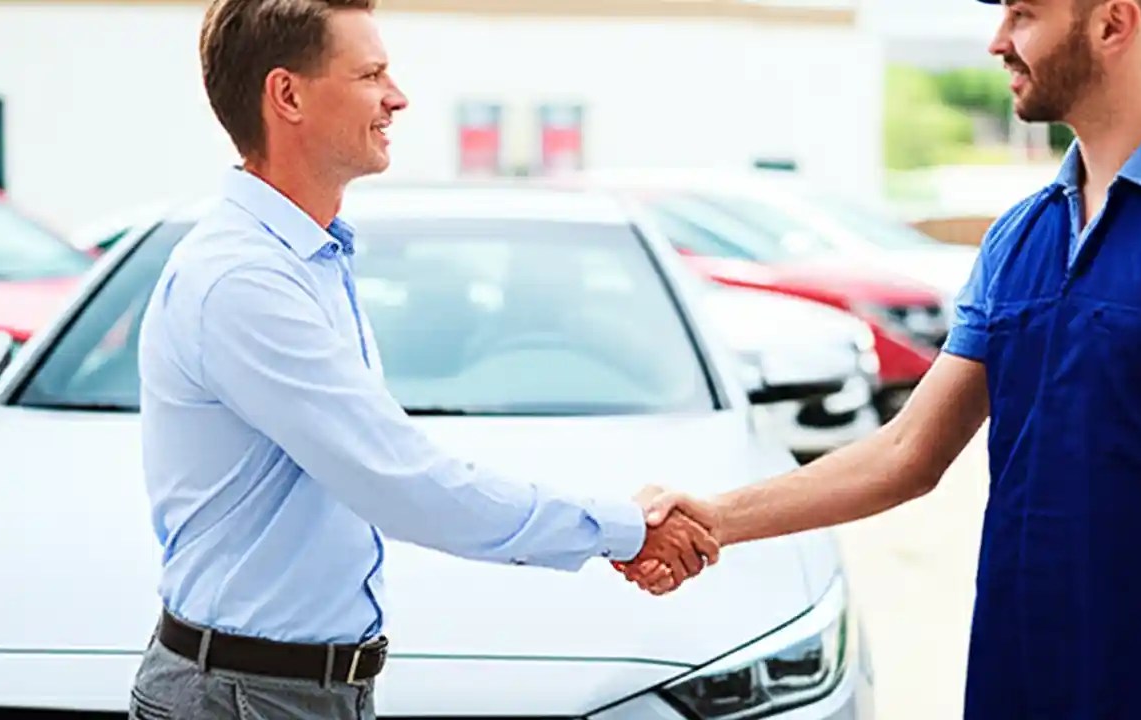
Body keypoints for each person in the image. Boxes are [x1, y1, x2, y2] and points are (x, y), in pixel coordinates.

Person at [621, 0, 1141, 717]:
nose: (997, 41)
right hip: (1015, 687)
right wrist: (714, 517)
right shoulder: (1020, 237)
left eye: (1023, 14)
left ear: (1113, 23)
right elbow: (905, 451)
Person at [128, 0, 715, 717]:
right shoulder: (243, 282)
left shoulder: (308, 259)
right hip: (246, 697)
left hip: (287, 689)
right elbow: (404, 482)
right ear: (288, 96)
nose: (397, 97)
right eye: (371, 73)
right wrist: (623, 526)